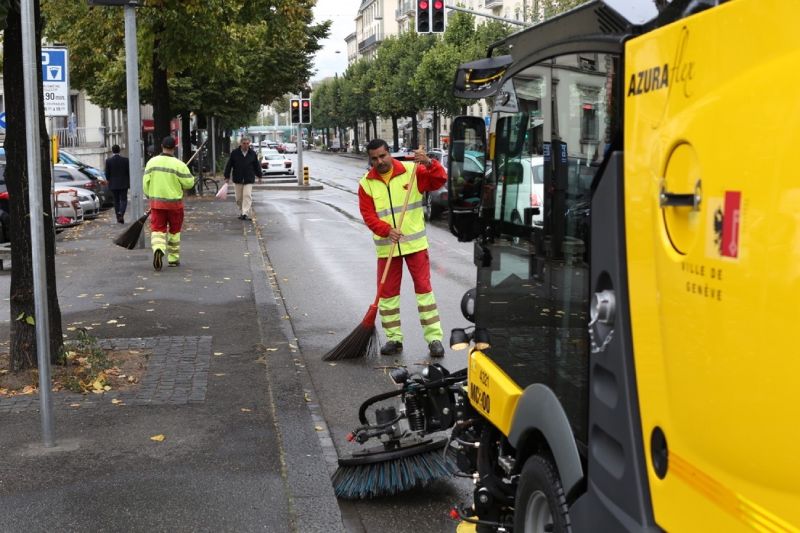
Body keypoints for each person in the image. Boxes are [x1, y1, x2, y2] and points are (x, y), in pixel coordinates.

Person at [358, 139, 447, 358]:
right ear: (370, 160)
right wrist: (386, 230)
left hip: (415, 245)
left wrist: (429, 162)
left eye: (382, 156)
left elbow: (439, 179)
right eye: (375, 158)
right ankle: (394, 339)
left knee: (424, 292)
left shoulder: (411, 171)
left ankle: (434, 339)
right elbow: (368, 216)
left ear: (389, 153)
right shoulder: (366, 184)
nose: (380, 161)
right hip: (387, 248)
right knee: (388, 296)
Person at [142, 136, 195, 270]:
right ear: (174, 148)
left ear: (162, 146)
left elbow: (145, 183)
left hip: (157, 204)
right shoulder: (179, 165)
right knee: (174, 231)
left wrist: (150, 195)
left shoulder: (151, 163)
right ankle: (173, 259)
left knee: (157, 229)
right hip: (174, 205)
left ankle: (158, 249)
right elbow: (189, 183)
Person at [223, 136, 260, 220]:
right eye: (244, 144)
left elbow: (256, 166)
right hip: (238, 178)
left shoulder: (252, 153)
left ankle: (245, 213)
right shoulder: (235, 153)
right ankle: (242, 210)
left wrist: (259, 176)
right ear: (241, 144)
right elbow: (229, 165)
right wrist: (227, 176)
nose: (246, 145)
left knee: (247, 195)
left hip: (249, 179)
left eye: (247, 144)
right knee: (239, 198)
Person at [104, 144, 130, 224]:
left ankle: (118, 216)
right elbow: (128, 172)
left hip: (113, 184)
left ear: (112, 151)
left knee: (116, 200)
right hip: (123, 183)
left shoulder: (108, 161)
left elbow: (107, 174)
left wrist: (109, 180)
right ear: (119, 150)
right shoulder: (126, 160)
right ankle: (121, 213)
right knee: (124, 199)